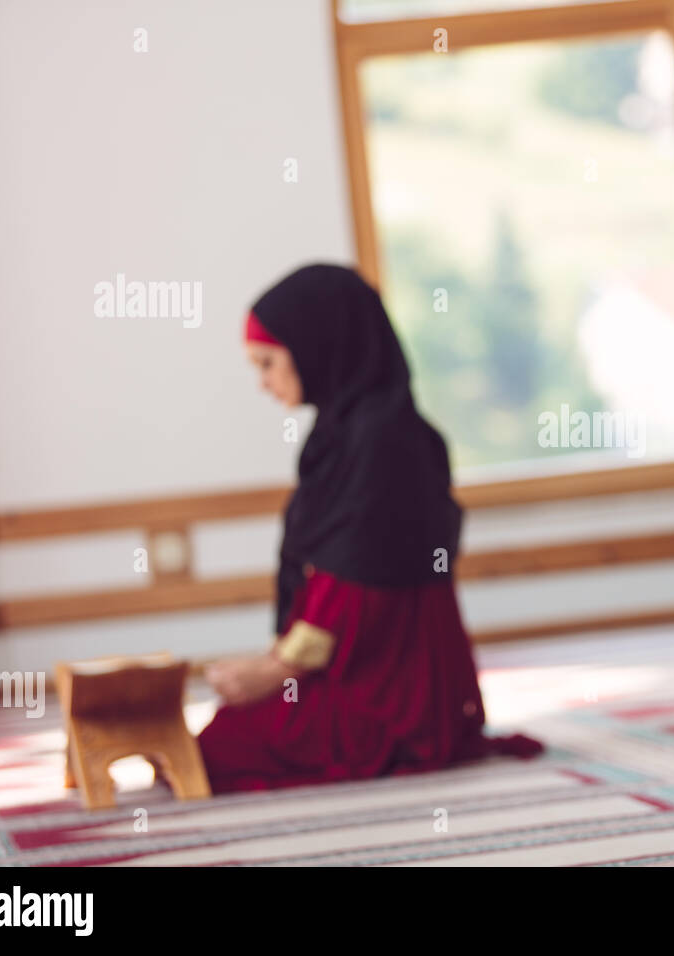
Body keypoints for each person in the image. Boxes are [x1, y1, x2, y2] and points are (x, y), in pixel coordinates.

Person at [196, 263, 544, 793]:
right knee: (220, 737)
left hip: (392, 690)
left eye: (267, 363)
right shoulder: (345, 433)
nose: (264, 383)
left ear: (317, 345)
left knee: (218, 749)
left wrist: (275, 672)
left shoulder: (381, 439)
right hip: (369, 665)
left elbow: (352, 583)